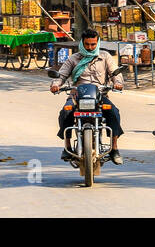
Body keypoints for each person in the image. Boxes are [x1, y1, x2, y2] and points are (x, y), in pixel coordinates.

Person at [51, 29, 125, 164]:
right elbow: (61, 75)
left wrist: (118, 83)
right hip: (77, 95)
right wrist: (56, 84)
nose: (90, 47)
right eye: (87, 44)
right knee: (66, 111)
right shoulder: (73, 58)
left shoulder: (105, 56)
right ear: (82, 43)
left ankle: (114, 148)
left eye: (93, 44)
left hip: (99, 95)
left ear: (97, 43)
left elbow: (115, 73)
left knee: (114, 112)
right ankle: (67, 146)